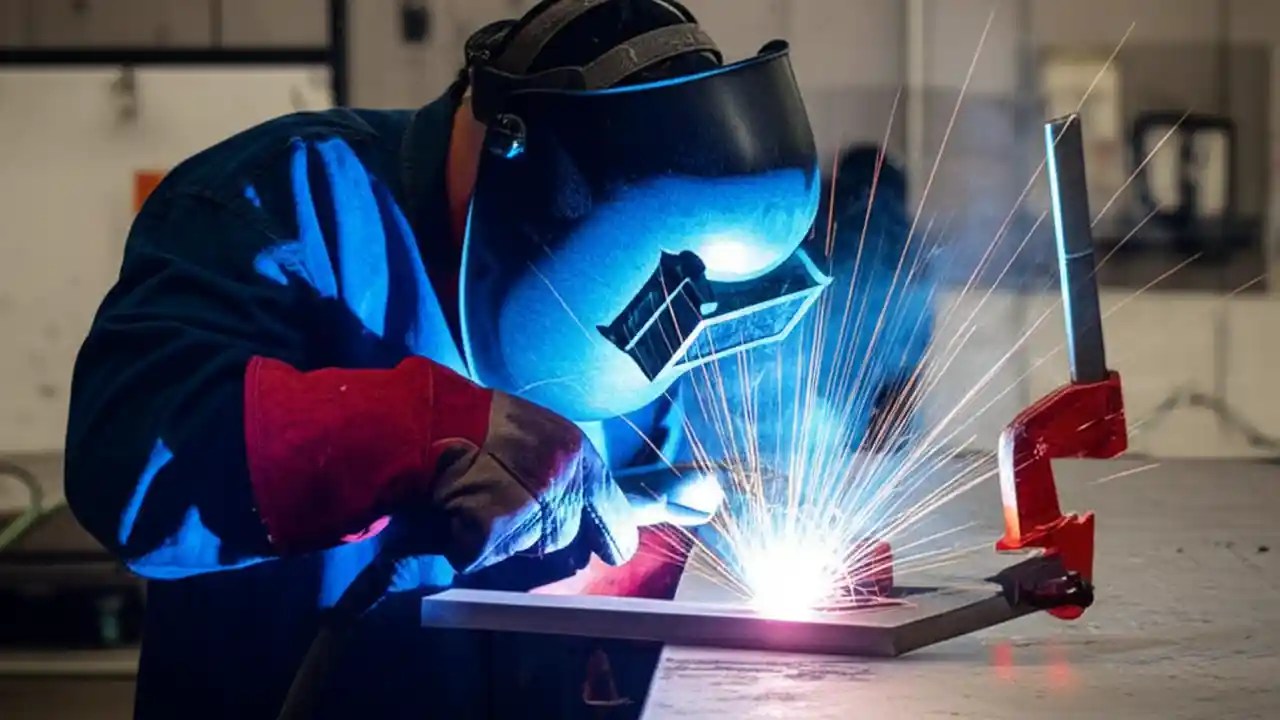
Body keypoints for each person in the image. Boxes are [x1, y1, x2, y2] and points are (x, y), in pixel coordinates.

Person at [63, 1, 824, 717]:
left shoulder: (647, 284)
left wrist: (694, 559)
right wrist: (427, 432)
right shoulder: (281, 201)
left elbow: (614, 529)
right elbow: (128, 462)